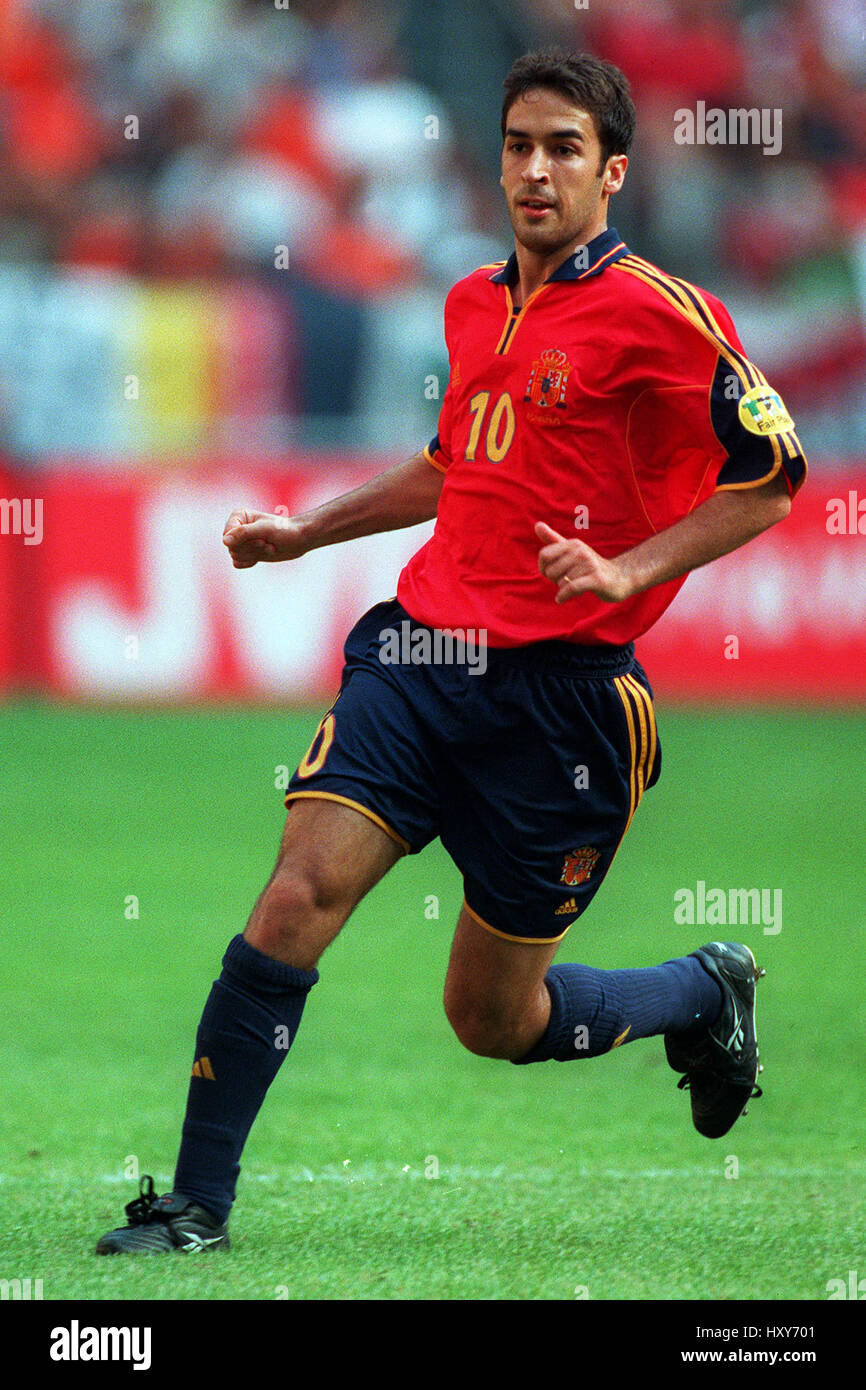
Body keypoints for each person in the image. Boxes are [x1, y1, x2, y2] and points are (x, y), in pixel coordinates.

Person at [96, 48, 805, 1254]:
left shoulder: (659, 310)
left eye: (563, 149)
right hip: (422, 659)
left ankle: (701, 989)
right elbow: (448, 464)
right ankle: (193, 1207)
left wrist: (630, 570)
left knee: (490, 1017)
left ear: (611, 172)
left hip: (567, 704)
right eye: (519, 144)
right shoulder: (473, 300)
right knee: (292, 901)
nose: (535, 169)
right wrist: (301, 531)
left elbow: (772, 478)